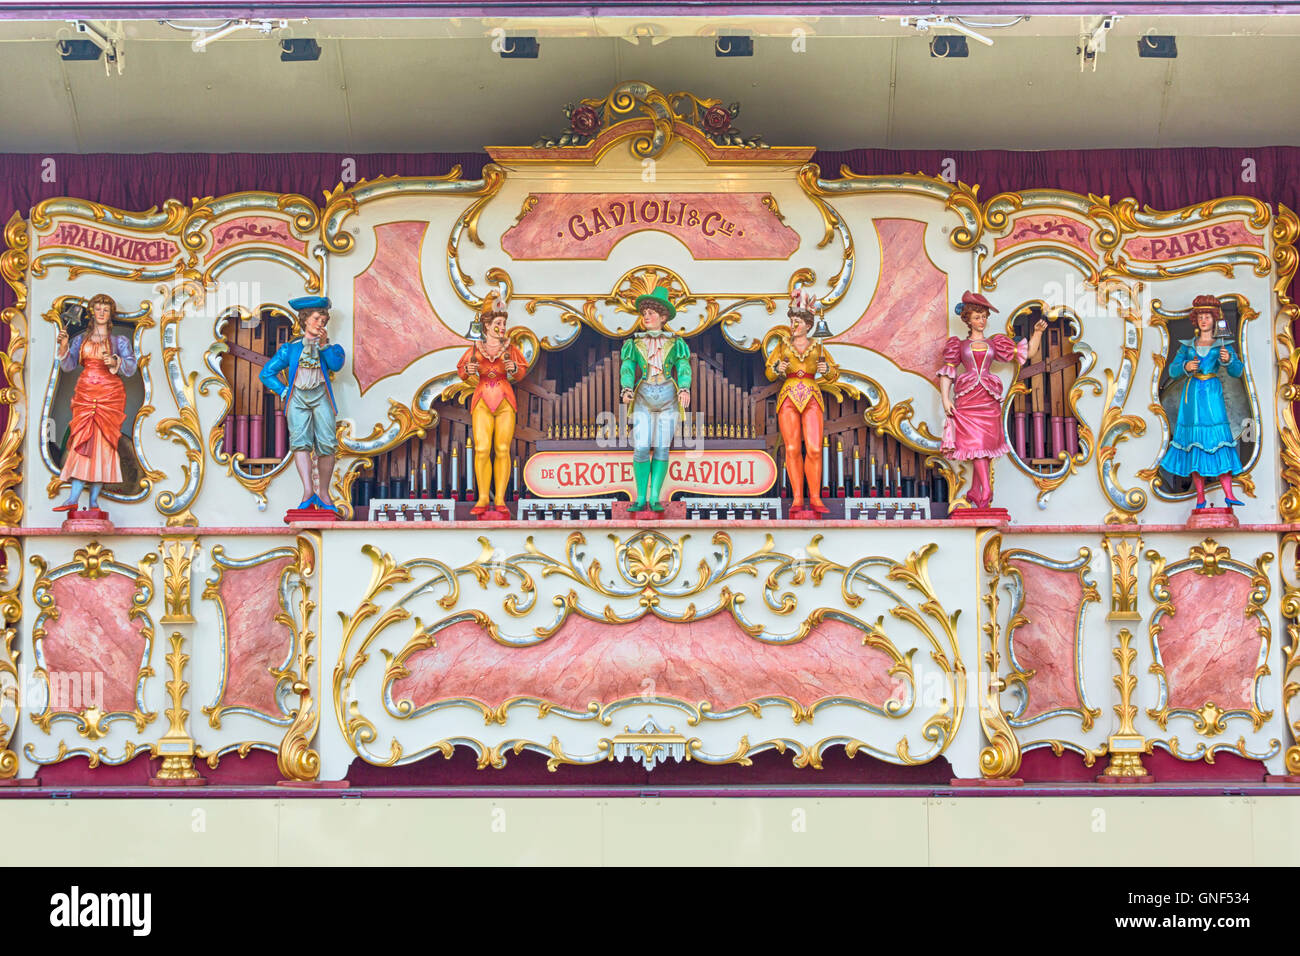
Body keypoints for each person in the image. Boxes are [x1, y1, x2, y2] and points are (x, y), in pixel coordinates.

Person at [938, 291, 1046, 510]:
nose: (981, 321)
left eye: (984, 316)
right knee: (976, 444)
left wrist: (1037, 333)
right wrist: (945, 399)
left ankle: (974, 491)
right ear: (967, 319)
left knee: (984, 447)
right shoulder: (958, 345)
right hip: (968, 400)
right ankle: (985, 490)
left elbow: (1028, 353)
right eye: (977, 317)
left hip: (989, 399)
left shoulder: (996, 344)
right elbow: (947, 372)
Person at [259, 295, 346, 511]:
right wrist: (283, 390)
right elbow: (267, 373)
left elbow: (336, 365)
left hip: (320, 396)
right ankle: (308, 491)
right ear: (305, 319)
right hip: (297, 399)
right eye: (317, 319)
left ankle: (324, 494)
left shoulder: (331, 348)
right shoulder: (291, 349)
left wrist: (325, 346)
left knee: (327, 443)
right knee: (300, 444)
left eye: (324, 321)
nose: (320, 323)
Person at [53, 293, 138, 513]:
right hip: (85, 393)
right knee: (82, 442)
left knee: (104, 447)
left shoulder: (120, 341)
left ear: (110, 315)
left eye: (105, 310)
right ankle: (73, 497)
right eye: (98, 309)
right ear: (92, 312)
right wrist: (63, 348)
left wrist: (116, 361)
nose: (101, 313)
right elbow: (69, 366)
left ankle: (92, 501)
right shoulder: (80, 340)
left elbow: (131, 366)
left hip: (109, 395)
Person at [1159, 295, 1246, 509]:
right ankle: (1200, 498)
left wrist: (1229, 360)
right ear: (1195, 320)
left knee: (1219, 441)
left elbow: (1237, 371)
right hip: (1193, 396)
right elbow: (1173, 370)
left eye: (1207, 316)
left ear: (1215, 320)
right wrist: (1186, 367)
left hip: (1212, 394)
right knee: (1195, 444)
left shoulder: (1222, 345)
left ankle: (1228, 493)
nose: (1204, 320)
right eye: (1200, 317)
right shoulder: (1188, 347)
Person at [765, 288, 839, 514]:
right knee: (792, 447)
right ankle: (798, 498)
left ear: (808, 325)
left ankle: (815, 497)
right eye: (792, 321)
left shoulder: (818, 347)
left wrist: (826, 370)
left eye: (798, 321)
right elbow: (769, 372)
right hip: (788, 396)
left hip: (812, 395)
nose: (793, 325)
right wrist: (778, 368)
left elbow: (833, 374)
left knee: (815, 448)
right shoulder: (782, 346)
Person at [620, 286, 692, 512]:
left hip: (668, 397)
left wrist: (684, 388)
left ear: (663, 317)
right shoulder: (634, 343)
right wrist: (626, 388)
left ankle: (654, 497)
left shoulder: (675, 342)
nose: (646, 316)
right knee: (641, 447)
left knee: (661, 448)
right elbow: (628, 367)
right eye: (645, 313)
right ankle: (640, 497)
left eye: (651, 313)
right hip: (644, 396)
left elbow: (683, 366)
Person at [456, 293, 527, 516]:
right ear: (486, 325)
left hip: (505, 399)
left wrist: (513, 367)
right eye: (498, 323)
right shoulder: (476, 350)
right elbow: (463, 372)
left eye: (504, 323)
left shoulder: (511, 349)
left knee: (503, 449)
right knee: (482, 448)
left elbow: (521, 371)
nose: (502, 327)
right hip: (482, 399)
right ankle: (483, 497)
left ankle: (500, 498)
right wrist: (467, 371)